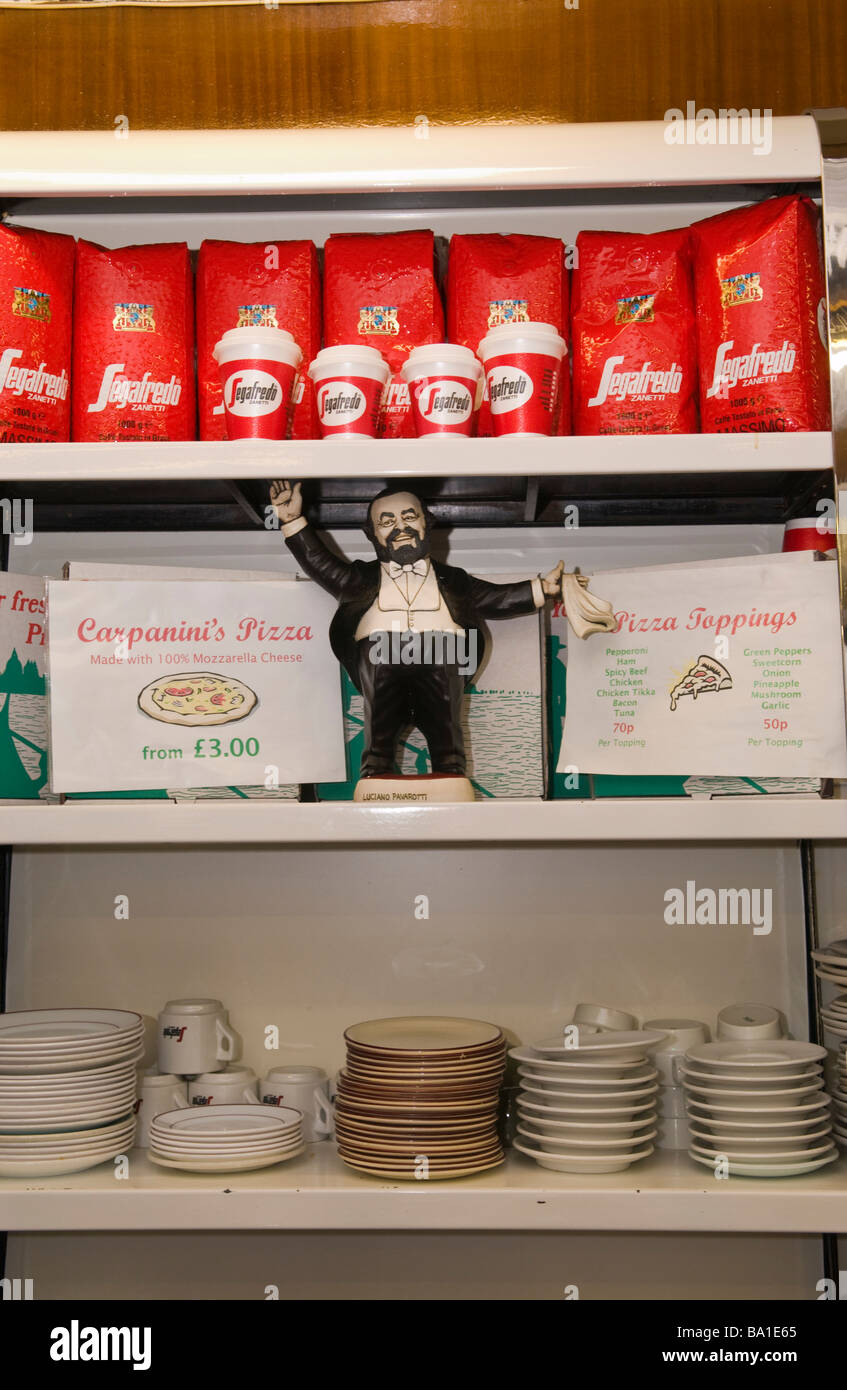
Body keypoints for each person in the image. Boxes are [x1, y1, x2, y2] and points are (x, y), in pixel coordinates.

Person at [270, 480, 565, 778]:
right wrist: (293, 521)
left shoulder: (455, 580)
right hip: (379, 658)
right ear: (372, 534)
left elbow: (496, 598)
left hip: (443, 658)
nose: (401, 527)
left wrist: (542, 588)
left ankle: (450, 773)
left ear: (428, 522)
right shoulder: (357, 579)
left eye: (409, 517)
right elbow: (319, 563)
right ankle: (375, 774)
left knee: (446, 732)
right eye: (387, 522)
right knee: (378, 733)